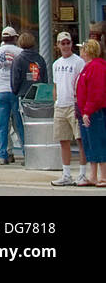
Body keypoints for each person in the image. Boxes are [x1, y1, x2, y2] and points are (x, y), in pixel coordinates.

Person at [50, 32, 87, 187]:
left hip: (74, 104)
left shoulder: (78, 62)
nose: (65, 46)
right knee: (63, 140)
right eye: (62, 43)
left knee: (80, 140)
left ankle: (83, 174)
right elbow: (56, 85)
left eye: (67, 43)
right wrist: (56, 101)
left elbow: (83, 84)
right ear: (57, 45)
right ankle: (66, 174)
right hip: (61, 105)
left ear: (71, 44)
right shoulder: (56, 64)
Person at [0, 26, 24, 163]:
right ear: (14, 38)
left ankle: (3, 155)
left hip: (1, 92)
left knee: (2, 126)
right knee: (19, 125)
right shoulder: (20, 52)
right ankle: (27, 153)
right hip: (15, 92)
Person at [75, 39, 106, 187]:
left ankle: (103, 176)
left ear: (87, 51)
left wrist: (87, 111)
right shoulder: (88, 67)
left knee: (98, 142)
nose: (81, 52)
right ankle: (93, 175)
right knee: (90, 144)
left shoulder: (96, 67)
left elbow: (96, 92)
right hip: (86, 111)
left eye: (83, 49)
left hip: (94, 112)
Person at [12, 32, 48, 100]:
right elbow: (45, 78)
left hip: (23, 94)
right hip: (39, 95)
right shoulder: (40, 59)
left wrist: (16, 91)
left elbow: (15, 80)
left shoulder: (18, 60)